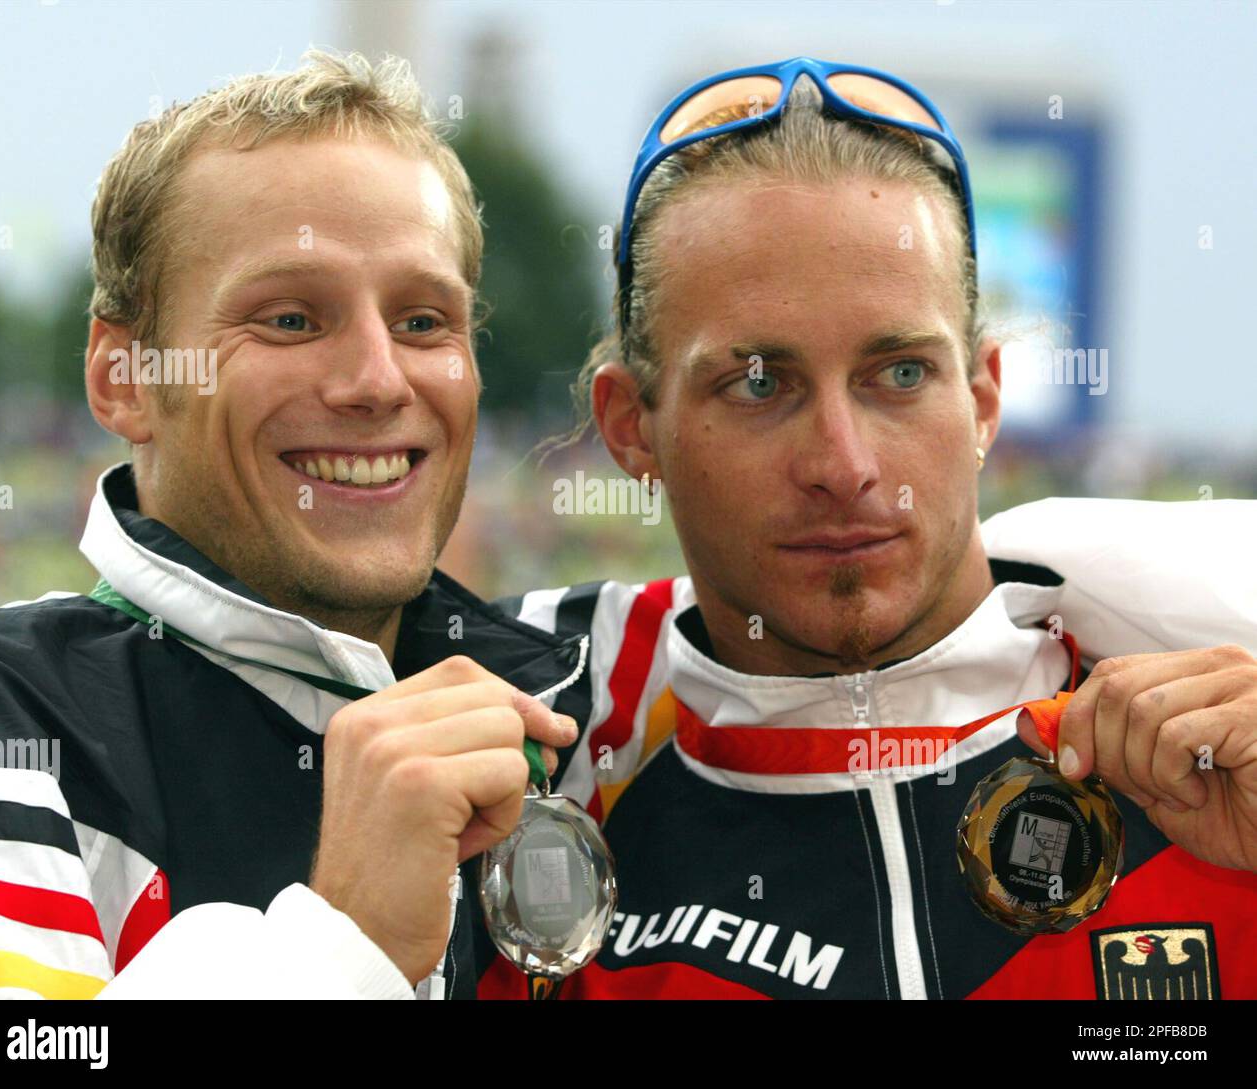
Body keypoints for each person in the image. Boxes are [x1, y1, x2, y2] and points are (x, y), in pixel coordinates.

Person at [474, 58, 1257, 999]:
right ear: (631, 426)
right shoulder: (515, 783)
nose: (844, 465)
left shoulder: (1218, 754)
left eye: (899, 375)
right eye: (759, 383)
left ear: (982, 399)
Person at [0, 49, 583, 1000]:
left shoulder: (590, 696)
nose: (378, 380)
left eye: (423, 322)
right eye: (291, 320)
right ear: (123, 378)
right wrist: (344, 946)